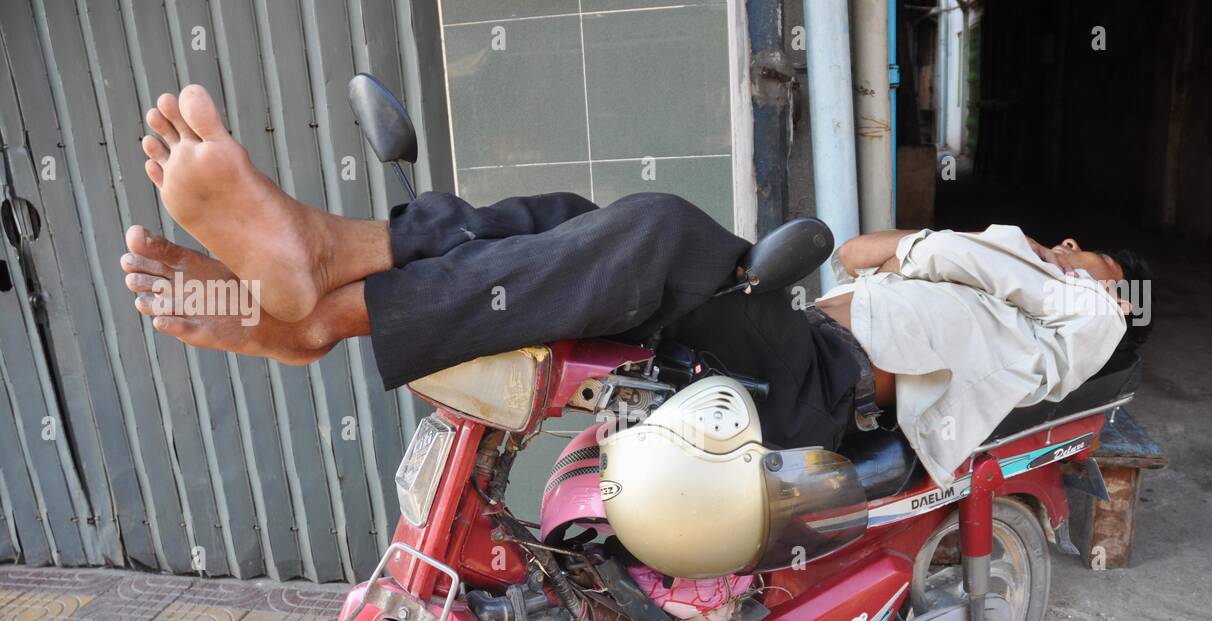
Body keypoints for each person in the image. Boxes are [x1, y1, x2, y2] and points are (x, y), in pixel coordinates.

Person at [122, 85, 1149, 480]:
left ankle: (321, 307)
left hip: (823, 387)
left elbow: (899, 251)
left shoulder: (1089, 319)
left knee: (659, 231)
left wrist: (1012, 250)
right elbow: (873, 249)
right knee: (574, 219)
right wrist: (938, 252)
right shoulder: (1009, 285)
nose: (1062, 247)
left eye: (1084, 253)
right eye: (1060, 245)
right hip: (791, 337)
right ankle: (330, 259)